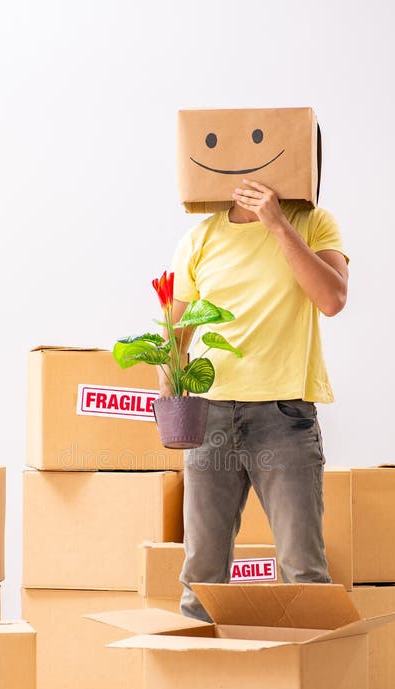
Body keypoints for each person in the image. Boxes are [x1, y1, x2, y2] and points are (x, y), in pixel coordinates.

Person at [161, 178, 349, 622]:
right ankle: (194, 684)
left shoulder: (312, 222)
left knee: (303, 569)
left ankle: (307, 687)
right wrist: (169, 390)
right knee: (201, 574)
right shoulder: (200, 238)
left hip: (284, 418)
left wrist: (279, 226)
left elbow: (333, 299)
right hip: (209, 418)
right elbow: (174, 336)